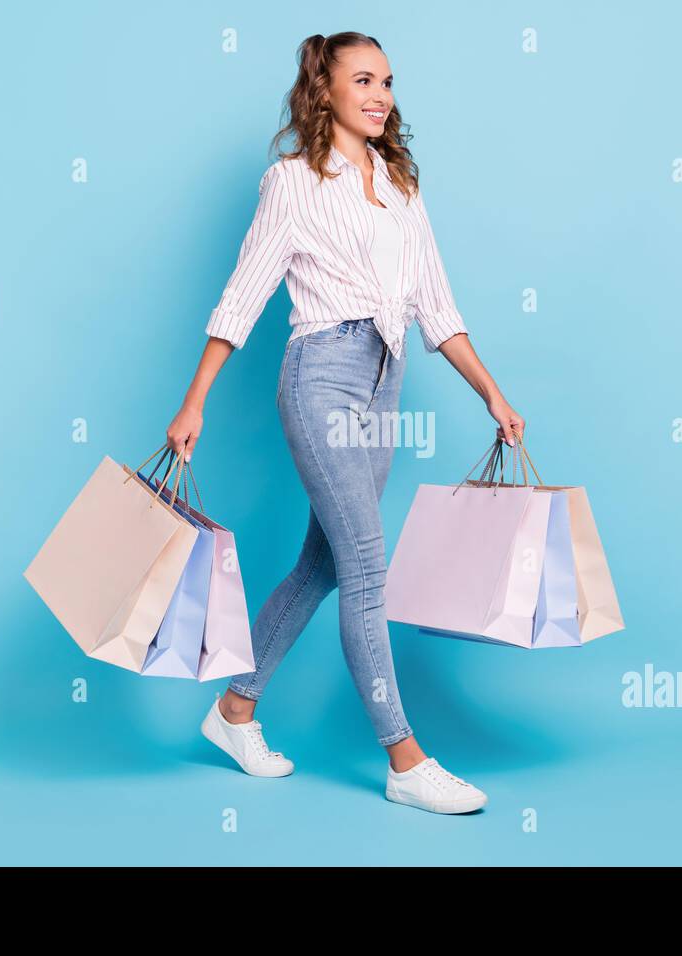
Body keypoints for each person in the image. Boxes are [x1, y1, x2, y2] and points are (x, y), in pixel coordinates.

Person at [166, 31, 524, 814]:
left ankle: (234, 711)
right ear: (322, 89)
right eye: (362, 80)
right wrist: (194, 399)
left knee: (324, 566)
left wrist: (490, 393)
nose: (380, 95)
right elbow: (245, 293)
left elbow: (436, 304)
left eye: (388, 81)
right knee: (366, 561)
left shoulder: (400, 184)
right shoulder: (291, 182)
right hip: (320, 373)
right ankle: (405, 759)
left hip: (384, 382)